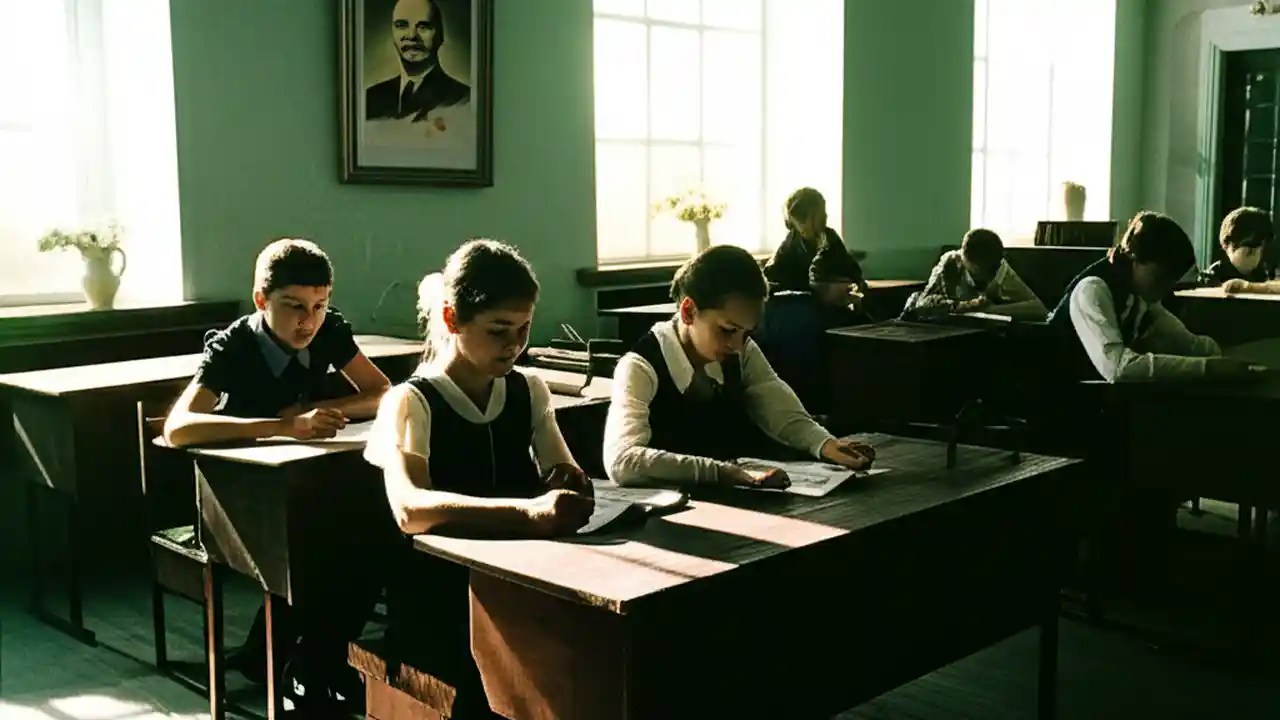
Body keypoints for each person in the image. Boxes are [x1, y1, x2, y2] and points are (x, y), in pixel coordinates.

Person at [363, 239, 594, 718]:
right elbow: (410, 510)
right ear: (452, 320)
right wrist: (527, 512)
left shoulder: (528, 388)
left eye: (524, 328)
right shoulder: (413, 401)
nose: (514, 344)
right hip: (439, 600)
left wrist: (569, 481)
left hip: (517, 582)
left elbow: (560, 468)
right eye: (498, 330)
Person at [163, 238, 391, 711]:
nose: (308, 321)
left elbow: (381, 392)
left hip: (305, 485)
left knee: (374, 544)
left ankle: (315, 660)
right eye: (293, 307)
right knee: (318, 552)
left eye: (320, 306)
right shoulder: (234, 345)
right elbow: (178, 427)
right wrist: (285, 426)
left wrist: (319, 408)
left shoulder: (328, 331)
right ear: (261, 301)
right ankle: (297, 661)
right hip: (240, 497)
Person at [604, 244, 875, 489]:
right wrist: (726, 473)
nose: (737, 345)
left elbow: (778, 407)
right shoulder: (639, 367)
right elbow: (622, 461)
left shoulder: (741, 350)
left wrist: (824, 444)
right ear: (688, 312)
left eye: (746, 333)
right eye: (727, 330)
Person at [1048, 212, 1256, 382]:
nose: (1165, 287)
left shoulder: (1138, 298)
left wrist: (1225, 357)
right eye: (1160, 277)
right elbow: (1119, 368)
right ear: (1135, 258)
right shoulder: (1092, 290)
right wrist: (1208, 367)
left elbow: (1190, 344)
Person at [763, 187, 868, 314]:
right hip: (800, 310)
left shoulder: (830, 238)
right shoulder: (789, 248)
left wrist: (856, 284)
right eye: (820, 213)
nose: (825, 216)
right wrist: (824, 292)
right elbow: (777, 286)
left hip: (828, 304)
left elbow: (850, 268)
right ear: (804, 220)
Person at [903, 229, 1047, 321]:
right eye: (977, 271)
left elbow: (1039, 309)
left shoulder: (1001, 269)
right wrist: (962, 306)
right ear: (965, 260)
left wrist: (989, 310)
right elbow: (924, 303)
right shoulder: (951, 264)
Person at [365, 0, 470, 123]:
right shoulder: (369, 99)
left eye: (423, 27)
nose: (411, 35)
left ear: (441, 35)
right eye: (401, 25)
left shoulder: (464, 100)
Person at [1204, 206, 1280, 294]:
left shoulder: (1263, 275)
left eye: (1260, 247)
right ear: (1229, 245)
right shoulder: (1211, 278)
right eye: (1249, 248)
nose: (1256, 253)